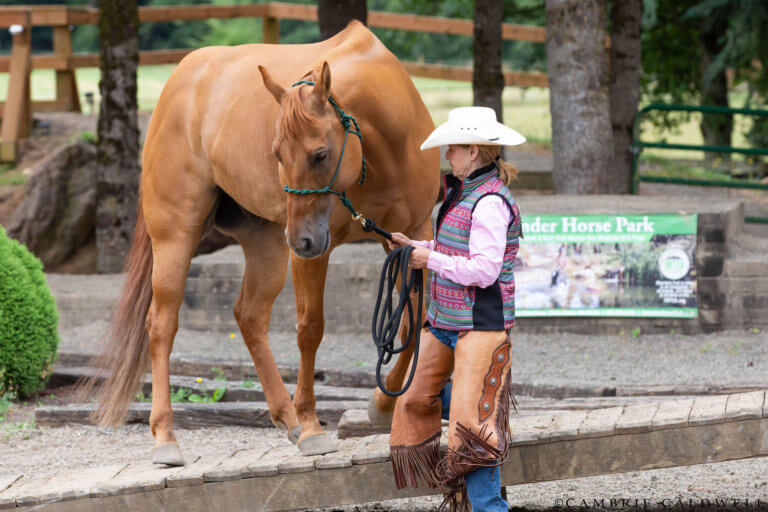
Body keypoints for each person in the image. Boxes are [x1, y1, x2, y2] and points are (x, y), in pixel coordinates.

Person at [386, 106, 525, 511]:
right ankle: (486, 408)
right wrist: (420, 247)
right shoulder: (465, 193)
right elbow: (456, 249)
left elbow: (484, 270)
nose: (447, 155)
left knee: (471, 428)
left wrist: (428, 260)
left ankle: (487, 496)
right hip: (446, 321)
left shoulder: (490, 203)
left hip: (480, 325)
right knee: (414, 398)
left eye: (453, 148)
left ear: (474, 151)